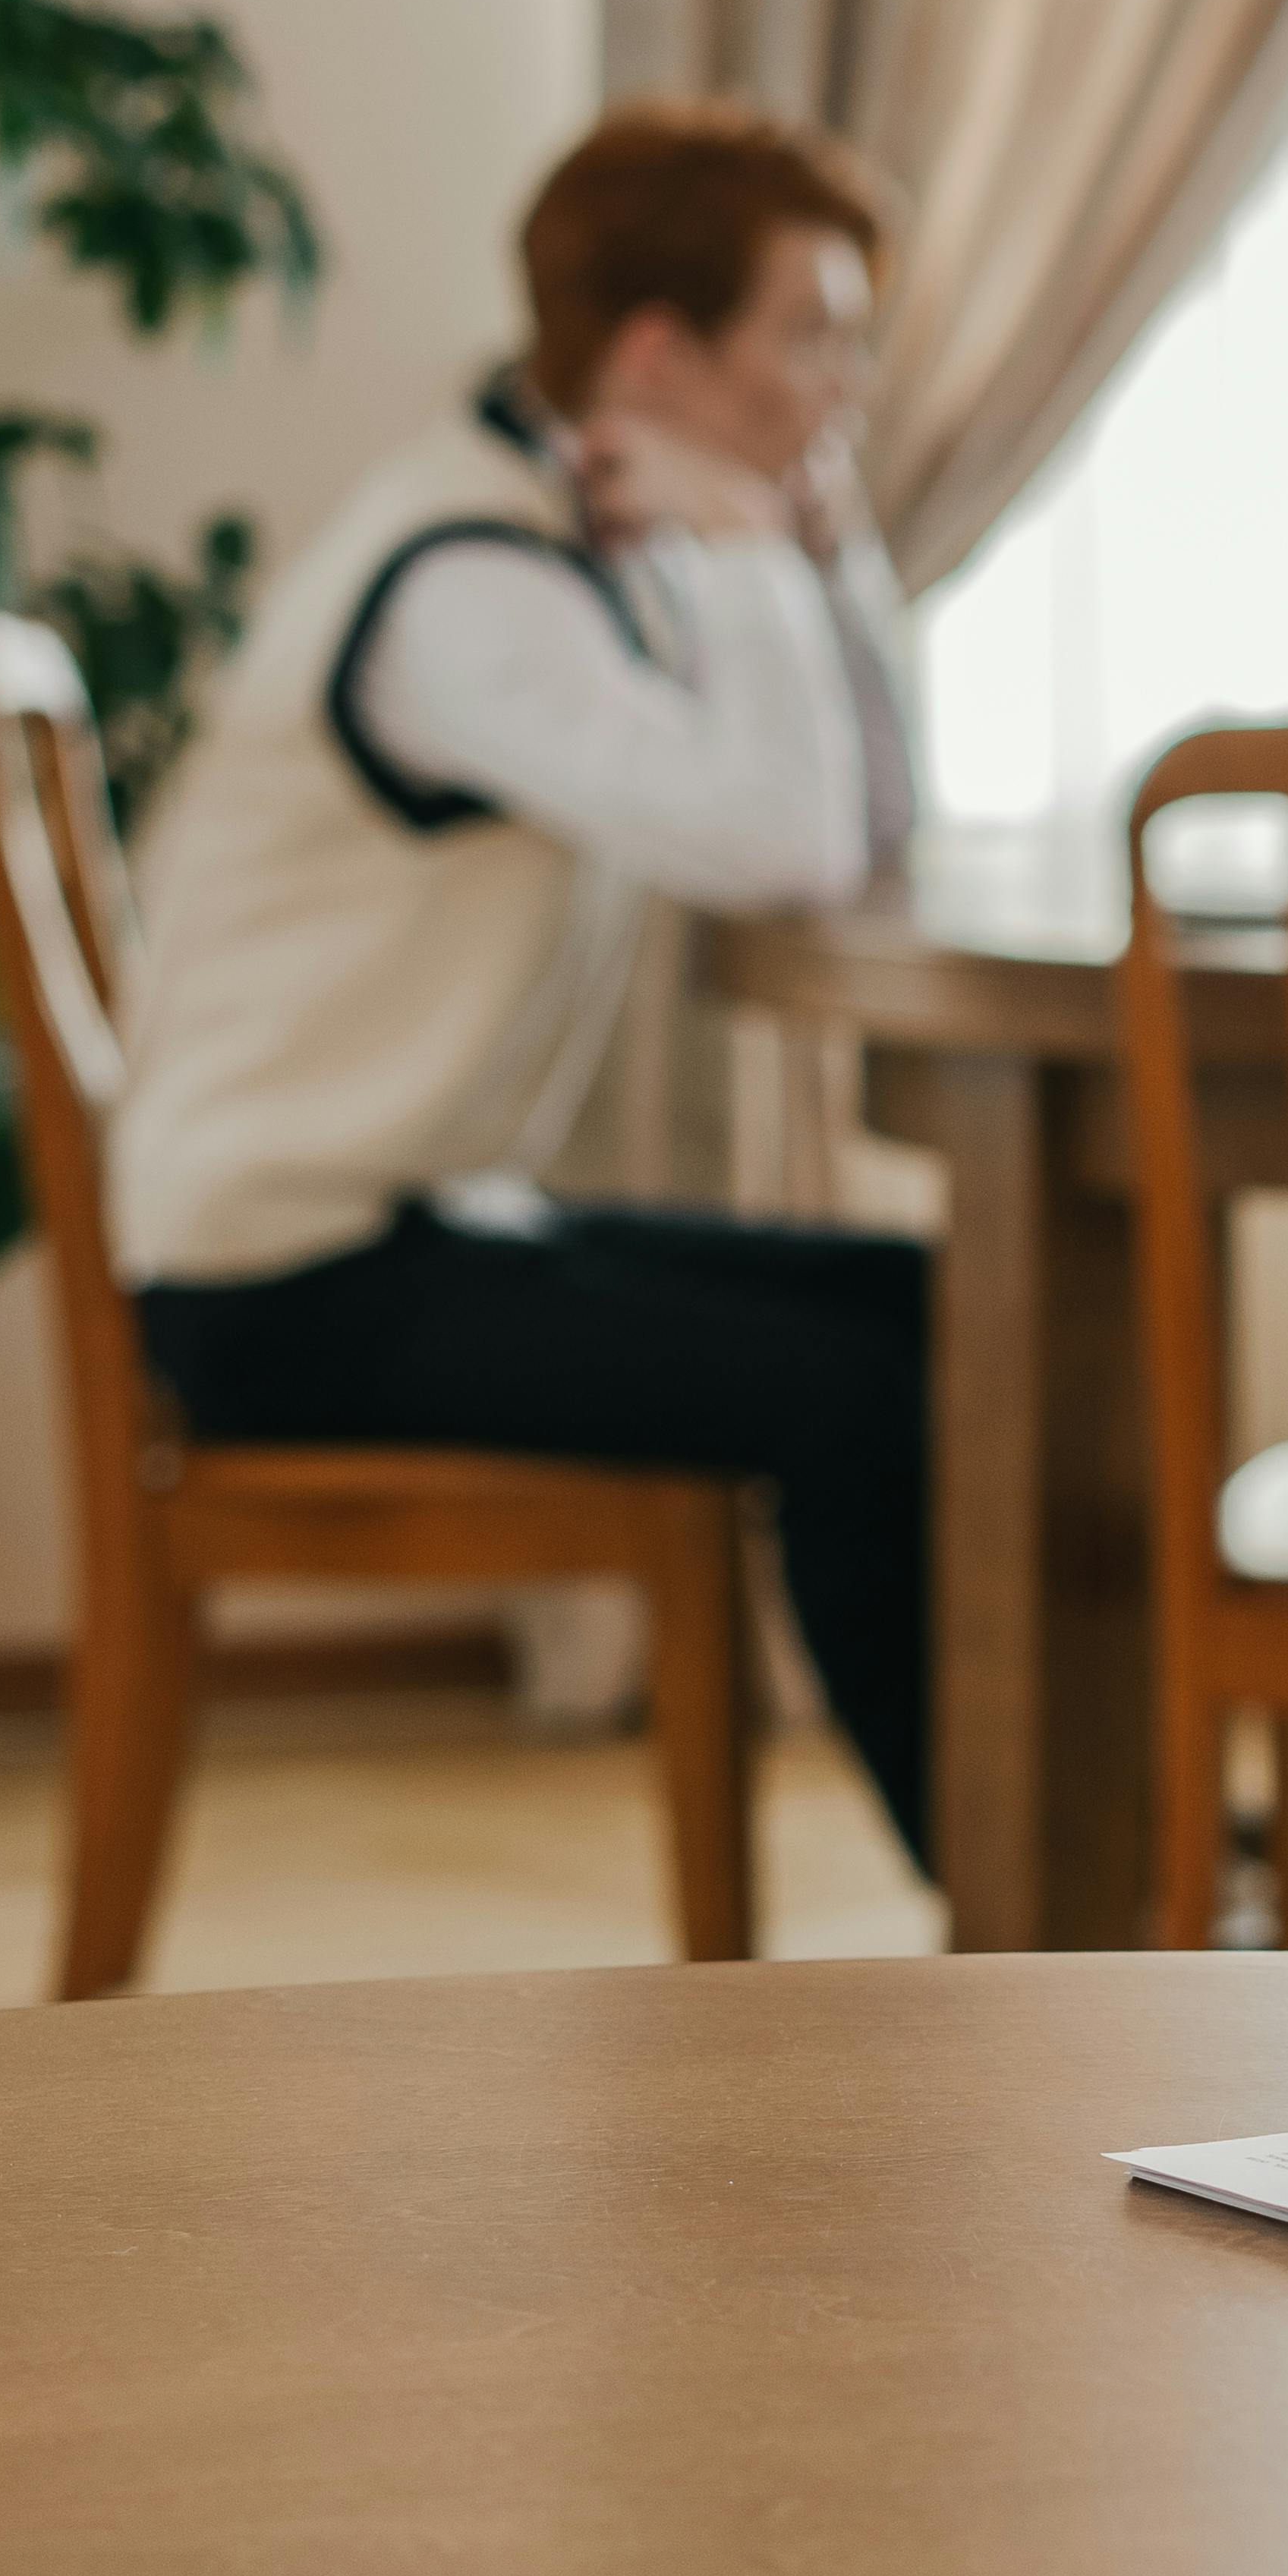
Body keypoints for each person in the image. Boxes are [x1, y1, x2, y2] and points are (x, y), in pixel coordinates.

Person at [104, 100, 940, 1863]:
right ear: (658, 354)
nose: (845, 385)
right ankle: (1018, 1899)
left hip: (409, 1223)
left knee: (940, 1308)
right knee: (850, 1396)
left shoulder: (566, 530)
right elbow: (786, 847)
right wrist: (745, 552)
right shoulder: (466, 587)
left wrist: (811, 549)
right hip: (277, 1275)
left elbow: (867, 819)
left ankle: (1071, 1850)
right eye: (811, 338)